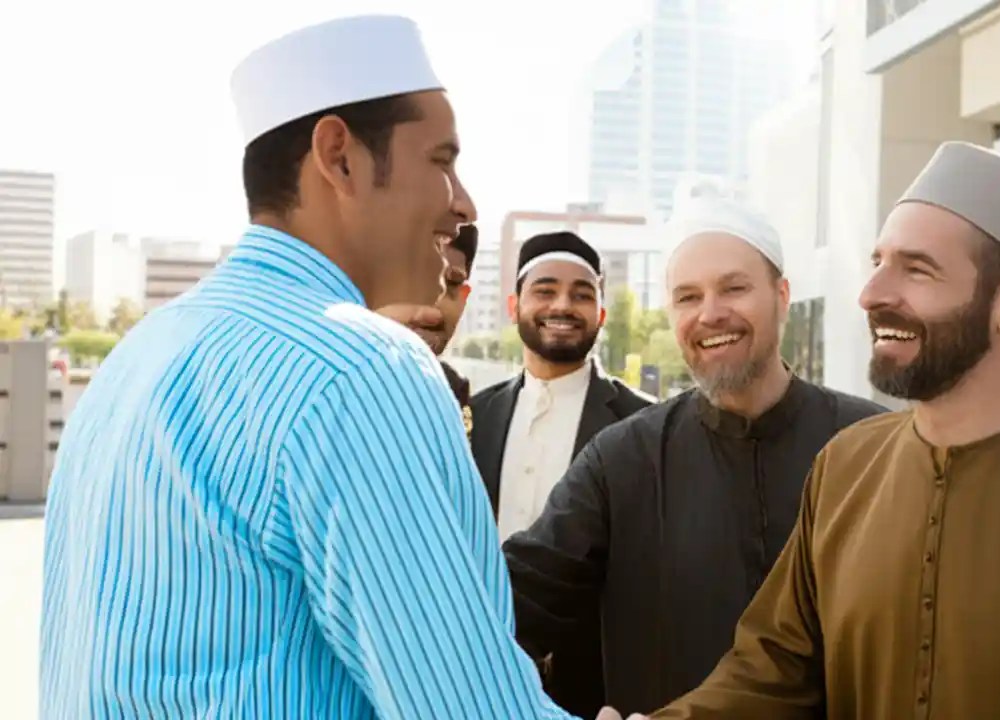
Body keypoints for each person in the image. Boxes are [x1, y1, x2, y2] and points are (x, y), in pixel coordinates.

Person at [40, 16, 580, 719]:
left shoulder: (138, 355)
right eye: (441, 160)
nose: (463, 202)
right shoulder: (362, 369)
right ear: (341, 157)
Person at [649, 142, 1000, 720]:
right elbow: (772, 671)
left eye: (917, 270)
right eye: (878, 262)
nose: (872, 294)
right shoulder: (845, 467)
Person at [503, 198, 885, 717]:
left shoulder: (872, 444)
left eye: (734, 288)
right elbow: (516, 600)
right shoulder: (622, 459)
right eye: (688, 297)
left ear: (782, 295)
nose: (710, 313)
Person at [471, 231, 653, 718]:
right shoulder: (469, 416)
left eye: (581, 294)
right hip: (483, 677)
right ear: (514, 306)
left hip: (599, 692)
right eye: (546, 290)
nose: (563, 305)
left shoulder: (645, 424)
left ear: (602, 315)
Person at [379, 222, 479, 434]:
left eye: (451, 283)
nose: (434, 306)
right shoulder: (323, 387)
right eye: (415, 276)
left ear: (464, 297)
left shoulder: (456, 397)